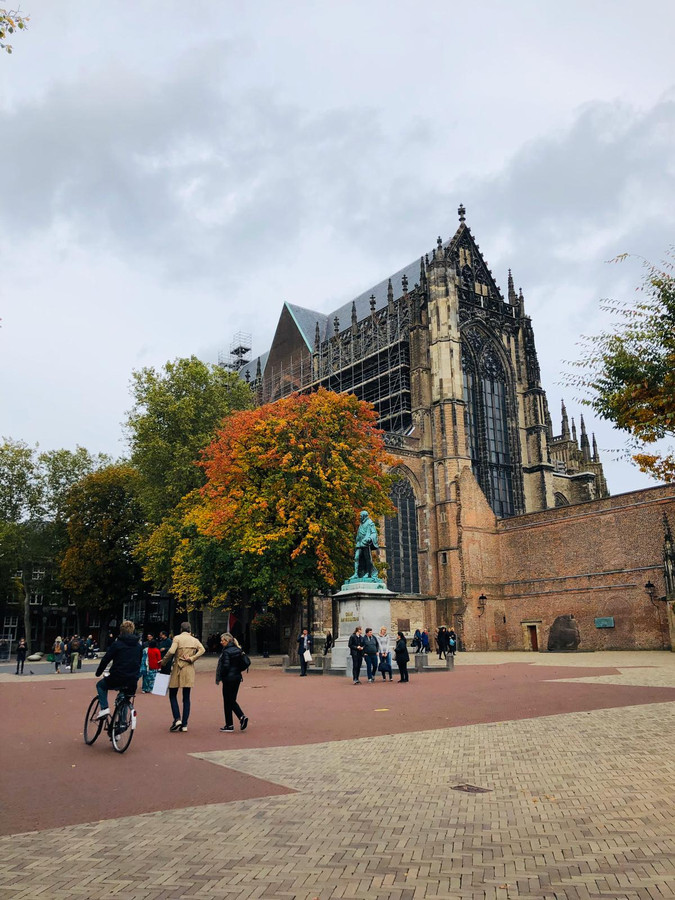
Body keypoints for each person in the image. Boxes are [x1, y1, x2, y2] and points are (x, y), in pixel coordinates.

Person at [160, 622, 205, 733]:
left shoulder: (177, 638)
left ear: (181, 629)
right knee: (186, 697)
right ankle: (184, 724)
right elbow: (202, 650)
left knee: (173, 694)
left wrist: (164, 661)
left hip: (177, 667)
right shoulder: (194, 640)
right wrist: (192, 658)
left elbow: (171, 651)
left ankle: (177, 718)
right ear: (190, 630)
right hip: (189, 668)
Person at [94, 620, 142, 717]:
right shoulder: (138, 646)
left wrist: (98, 672)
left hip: (118, 677)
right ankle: (122, 724)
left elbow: (106, 659)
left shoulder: (117, 644)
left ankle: (104, 708)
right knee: (124, 698)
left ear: (121, 631)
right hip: (132, 680)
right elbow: (138, 662)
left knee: (100, 685)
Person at [215, 632, 249, 733]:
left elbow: (225, 666)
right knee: (231, 699)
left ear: (227, 641)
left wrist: (222, 675)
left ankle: (239, 718)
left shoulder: (226, 652)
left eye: (222, 640)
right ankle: (230, 723)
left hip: (228, 679)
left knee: (228, 700)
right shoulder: (238, 649)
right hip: (237, 677)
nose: (221, 642)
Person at [353, 510, 379, 579]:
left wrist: (369, 538)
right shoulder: (361, 523)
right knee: (356, 557)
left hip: (365, 543)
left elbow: (374, 533)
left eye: (361, 516)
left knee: (367, 559)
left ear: (364, 516)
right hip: (359, 543)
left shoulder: (370, 523)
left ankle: (368, 573)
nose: (360, 517)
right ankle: (356, 574)